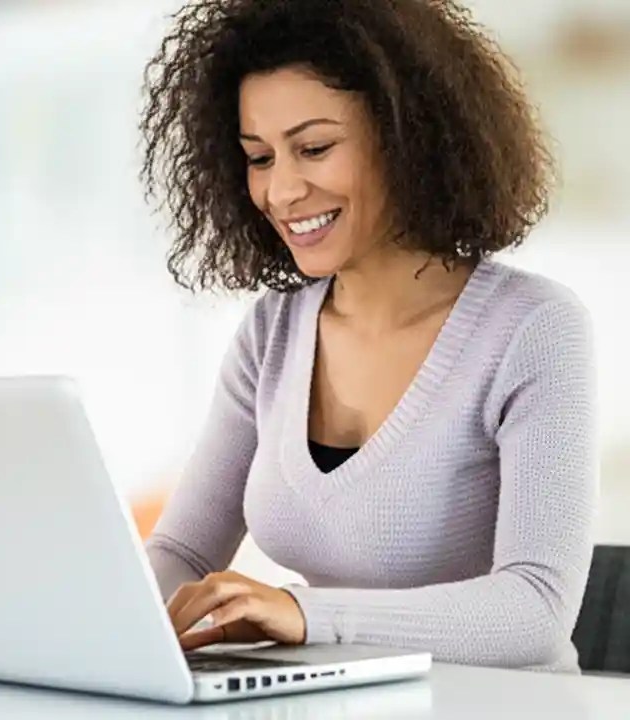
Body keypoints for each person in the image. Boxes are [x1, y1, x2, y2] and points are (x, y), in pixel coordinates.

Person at [138, 0, 596, 672]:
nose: (281, 190)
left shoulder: (533, 329)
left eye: (314, 148)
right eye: (258, 157)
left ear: (409, 136)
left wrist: (306, 615)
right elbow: (183, 552)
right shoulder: (272, 331)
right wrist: (87, 621)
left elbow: (536, 609)